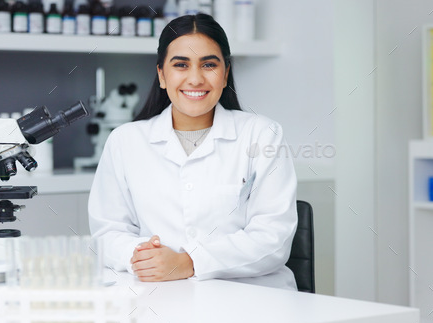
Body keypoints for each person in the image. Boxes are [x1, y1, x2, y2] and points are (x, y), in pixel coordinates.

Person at [88, 14, 298, 290]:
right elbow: (107, 231)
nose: (195, 78)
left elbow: (274, 238)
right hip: (159, 295)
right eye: (181, 65)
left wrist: (189, 262)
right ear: (162, 75)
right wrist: (144, 257)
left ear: (225, 74)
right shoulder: (125, 141)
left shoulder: (262, 135)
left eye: (209, 64)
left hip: (252, 299)